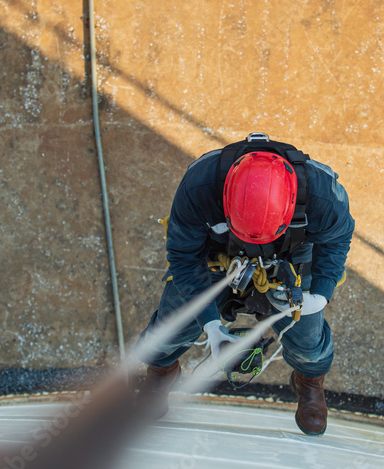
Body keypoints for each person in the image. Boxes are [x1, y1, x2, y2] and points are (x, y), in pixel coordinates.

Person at [136, 133, 355, 436]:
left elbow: (336, 242)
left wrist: (320, 295)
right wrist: (211, 326)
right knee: (171, 326)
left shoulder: (324, 194)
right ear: (225, 195)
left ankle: (309, 380)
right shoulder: (198, 186)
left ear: (291, 202)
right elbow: (185, 260)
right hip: (219, 255)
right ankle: (161, 370)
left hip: (290, 258)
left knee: (308, 339)